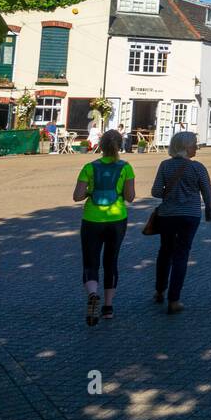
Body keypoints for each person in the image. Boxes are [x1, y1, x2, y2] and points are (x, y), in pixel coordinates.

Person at [72, 130, 136, 326]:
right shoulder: (126, 168)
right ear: (119, 145)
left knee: (91, 262)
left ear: (100, 144)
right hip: (117, 218)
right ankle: (108, 307)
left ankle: (92, 294)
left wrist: (92, 190)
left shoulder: (89, 168)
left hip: (92, 218)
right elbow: (130, 197)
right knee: (111, 261)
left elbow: (77, 196)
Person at [150, 131, 211, 314]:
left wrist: (170, 194)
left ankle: (160, 290)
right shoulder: (198, 168)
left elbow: (155, 192)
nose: (197, 147)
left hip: (168, 215)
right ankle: (174, 300)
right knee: (181, 255)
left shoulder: (165, 165)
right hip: (190, 217)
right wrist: (209, 213)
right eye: (194, 144)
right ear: (185, 147)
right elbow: (207, 192)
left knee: (165, 252)